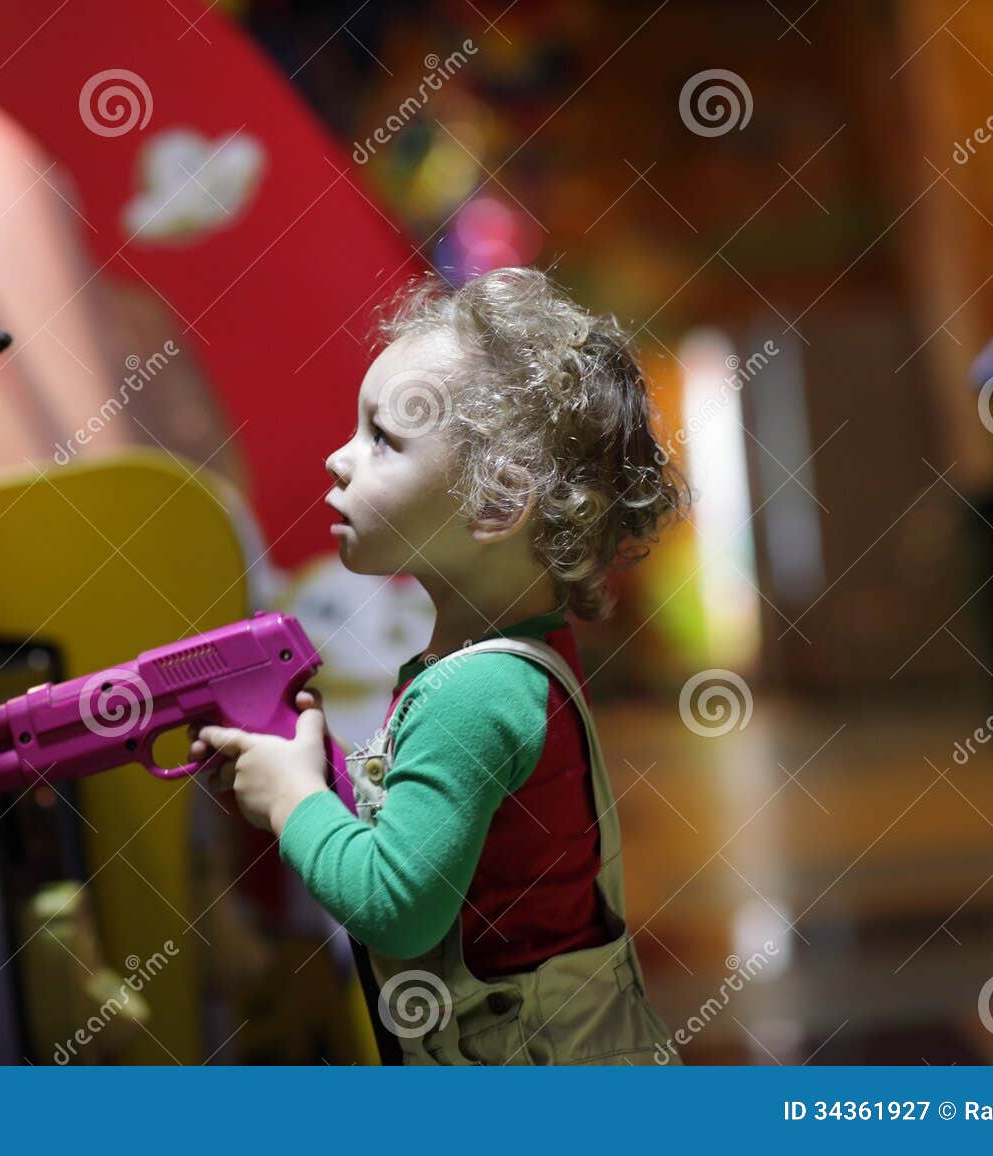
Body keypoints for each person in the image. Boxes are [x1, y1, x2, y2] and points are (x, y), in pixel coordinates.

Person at [192, 266, 689, 1065]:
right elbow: (453, 859)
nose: (337, 459)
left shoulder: (477, 692)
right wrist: (316, 777)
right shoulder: (511, 663)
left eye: (381, 439)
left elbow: (397, 906)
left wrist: (294, 797)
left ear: (496, 501)